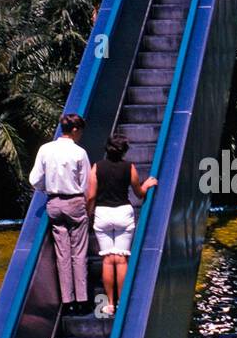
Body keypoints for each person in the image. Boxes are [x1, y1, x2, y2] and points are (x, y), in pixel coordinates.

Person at [85, 135, 157, 315]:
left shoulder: (97, 167)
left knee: (108, 260)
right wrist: (146, 185)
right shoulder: (129, 167)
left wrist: (88, 213)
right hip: (123, 213)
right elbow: (139, 193)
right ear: (124, 150)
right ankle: (122, 302)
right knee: (121, 259)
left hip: (103, 213)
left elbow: (92, 195)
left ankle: (110, 303)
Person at [29, 113, 91, 314]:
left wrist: (46, 188)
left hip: (54, 203)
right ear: (75, 130)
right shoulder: (79, 152)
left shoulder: (45, 149)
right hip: (74, 201)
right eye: (80, 130)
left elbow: (35, 179)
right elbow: (86, 183)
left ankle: (67, 301)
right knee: (78, 252)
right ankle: (82, 299)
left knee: (62, 253)